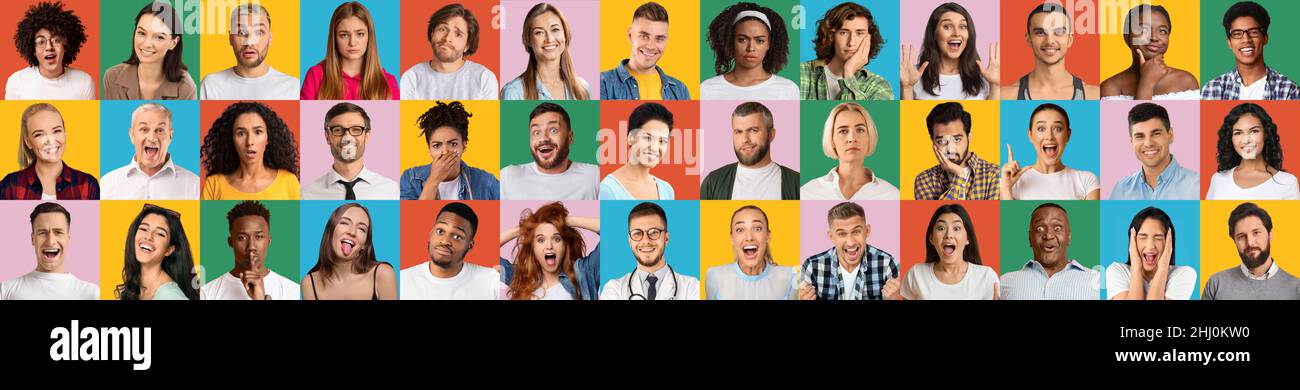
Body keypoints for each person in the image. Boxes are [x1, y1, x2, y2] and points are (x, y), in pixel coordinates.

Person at [200, 102, 301, 200]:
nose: (249, 142)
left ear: (268, 138)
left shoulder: (289, 182)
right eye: (241, 134)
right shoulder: (213, 185)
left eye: (258, 132)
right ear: (231, 139)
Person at [399, 101, 499, 200]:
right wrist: (433, 181)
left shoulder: (486, 181)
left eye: (453, 144)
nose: (445, 151)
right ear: (429, 149)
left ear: (464, 145)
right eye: (437, 145)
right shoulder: (410, 178)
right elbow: (412, 216)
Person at [798, 202, 899, 300]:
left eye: (856, 232)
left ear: (867, 231)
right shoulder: (812, 266)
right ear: (831, 237)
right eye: (842, 234)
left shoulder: (887, 263)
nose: (850, 243)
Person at [499, 202, 600, 300]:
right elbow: (487, 249)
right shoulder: (521, 278)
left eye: (557, 239)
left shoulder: (583, 273)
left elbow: (613, 229)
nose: (549, 246)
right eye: (541, 240)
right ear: (533, 247)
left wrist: (566, 221)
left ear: (565, 244)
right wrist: (525, 227)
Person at [201, 201, 300, 300]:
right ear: (231, 242)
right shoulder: (206, 293)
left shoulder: (293, 291)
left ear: (269, 241)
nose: (251, 246)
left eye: (259, 236)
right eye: (242, 238)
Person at [199, 2, 300, 100]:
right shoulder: (210, 86)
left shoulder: (292, 88)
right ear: (230, 38)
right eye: (241, 32)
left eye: (259, 32)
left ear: (270, 38)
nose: (249, 42)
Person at [999, 103, 1100, 200]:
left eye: (1058, 129)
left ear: (1068, 135)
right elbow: (1010, 218)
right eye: (1041, 129)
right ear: (1030, 135)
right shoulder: (1012, 182)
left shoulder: (1087, 181)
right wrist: (1006, 188)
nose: (1049, 137)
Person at [700, 101, 800, 200]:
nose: (745, 139)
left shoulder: (796, 183)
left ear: (771, 134)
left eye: (753, 130)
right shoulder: (713, 182)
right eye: (738, 132)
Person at [800, 102, 899, 200]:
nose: (852, 138)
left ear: (869, 137)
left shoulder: (891, 195)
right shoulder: (808, 193)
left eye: (860, 130)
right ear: (832, 139)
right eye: (843, 131)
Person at [401, 202, 500, 300]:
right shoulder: (401, 280)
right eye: (440, 231)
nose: (445, 241)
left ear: (470, 245)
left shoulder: (491, 280)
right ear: (431, 233)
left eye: (457, 236)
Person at [900, 2, 1000, 100]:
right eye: (947, 27)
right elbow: (907, 117)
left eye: (962, 27)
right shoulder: (913, 76)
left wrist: (995, 85)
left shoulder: (984, 78)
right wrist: (907, 88)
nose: (956, 33)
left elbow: (991, 116)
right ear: (934, 33)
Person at [1202, 1, 1300, 100]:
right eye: (1237, 34)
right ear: (1229, 42)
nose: (1246, 40)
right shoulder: (1212, 89)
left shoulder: (1289, 90)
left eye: (1253, 32)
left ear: (1265, 38)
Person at [999, 203, 1099, 300]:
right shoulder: (1004, 282)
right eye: (1039, 228)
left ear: (1069, 236)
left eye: (1057, 228)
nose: (1048, 235)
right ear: (1030, 238)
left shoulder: (1098, 281)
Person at [500, 102, 599, 200]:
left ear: (570, 138)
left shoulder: (593, 176)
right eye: (536, 132)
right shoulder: (508, 177)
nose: (543, 138)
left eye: (553, 130)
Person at [101, 103, 200, 200]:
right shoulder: (108, 183)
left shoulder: (194, 184)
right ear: (132, 135)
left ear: (170, 136)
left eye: (160, 130)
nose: (152, 138)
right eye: (144, 129)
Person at [300, 1, 398, 100]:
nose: (352, 43)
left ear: (369, 37)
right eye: (344, 35)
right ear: (334, 38)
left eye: (360, 34)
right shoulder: (315, 76)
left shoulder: (388, 82)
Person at [999, 3, 1098, 100]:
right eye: (1040, 33)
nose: (1050, 41)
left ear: (1070, 39)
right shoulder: (1005, 96)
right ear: (1028, 39)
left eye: (1058, 32)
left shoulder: (1094, 96)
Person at [1100, 4, 1200, 100]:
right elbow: (1136, 118)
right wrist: (1147, 82)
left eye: (1162, 31)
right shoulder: (1111, 87)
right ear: (1127, 38)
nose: (1154, 37)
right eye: (1144, 29)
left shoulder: (1186, 81)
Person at [600, 202, 698, 300]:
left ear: (666, 238)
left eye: (654, 232)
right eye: (637, 233)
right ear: (630, 241)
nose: (646, 241)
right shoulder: (614, 289)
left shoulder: (692, 287)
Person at [0, 103, 98, 200]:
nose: (50, 140)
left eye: (57, 131)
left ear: (65, 133)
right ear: (28, 142)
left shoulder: (88, 184)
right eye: (39, 134)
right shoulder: (9, 185)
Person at [400, 3, 499, 100]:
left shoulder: (484, 78)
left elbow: (487, 117)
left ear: (467, 45)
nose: (447, 38)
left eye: (458, 34)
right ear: (432, 33)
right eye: (442, 29)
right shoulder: (412, 78)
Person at [302, 102, 399, 200]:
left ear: (367, 136)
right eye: (338, 130)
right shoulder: (307, 194)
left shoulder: (390, 190)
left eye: (356, 129)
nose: (347, 138)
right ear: (327, 137)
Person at [900, 204, 999, 300]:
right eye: (941, 228)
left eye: (956, 228)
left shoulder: (986, 277)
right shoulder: (916, 274)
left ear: (967, 238)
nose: (949, 235)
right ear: (931, 238)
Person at [0, 203, 97, 300]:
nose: (50, 241)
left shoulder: (91, 293)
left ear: (68, 238)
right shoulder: (6, 290)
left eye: (58, 232)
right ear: (33, 239)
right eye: (42, 233)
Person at [1203, 202, 1300, 300]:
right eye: (1241, 236)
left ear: (1270, 235)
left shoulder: (1296, 287)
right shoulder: (1216, 283)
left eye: (1256, 233)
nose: (1250, 243)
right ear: (1234, 241)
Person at [702, 2, 797, 100]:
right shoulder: (707, 89)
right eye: (742, 39)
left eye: (760, 41)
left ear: (768, 44)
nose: (751, 48)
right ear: (731, 42)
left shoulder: (787, 89)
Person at [301, 203, 397, 300]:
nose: (352, 232)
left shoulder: (383, 274)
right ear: (330, 231)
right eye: (344, 223)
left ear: (364, 244)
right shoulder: (309, 283)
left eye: (361, 229)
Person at [102, 1, 196, 100]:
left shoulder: (186, 88)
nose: (147, 44)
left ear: (173, 43)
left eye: (159, 37)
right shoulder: (112, 77)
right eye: (142, 33)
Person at [799, 2, 892, 100]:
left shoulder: (879, 86)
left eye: (859, 33)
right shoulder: (801, 73)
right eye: (843, 33)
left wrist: (849, 72)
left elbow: (859, 113)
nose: (851, 42)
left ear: (869, 39)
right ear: (831, 36)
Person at [1206, 103, 1300, 200]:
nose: (1246, 140)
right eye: (1238, 133)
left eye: (1254, 131)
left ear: (1266, 134)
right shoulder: (1218, 179)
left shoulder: (1287, 183)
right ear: (1231, 138)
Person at [599, 2, 690, 100]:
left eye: (659, 38)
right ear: (630, 35)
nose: (650, 46)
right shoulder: (602, 83)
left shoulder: (680, 90)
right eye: (644, 36)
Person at [5, 1, 95, 100]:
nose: (49, 47)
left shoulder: (84, 82)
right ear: (33, 49)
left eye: (56, 40)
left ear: (65, 45)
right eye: (41, 42)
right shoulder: (17, 81)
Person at [1109, 103, 1199, 200]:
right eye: (1140, 136)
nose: (1148, 143)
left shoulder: (1197, 185)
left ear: (1170, 135)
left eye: (1156, 134)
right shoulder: (1120, 190)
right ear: (1132, 142)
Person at [705, 205, 796, 300]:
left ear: (768, 235)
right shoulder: (714, 276)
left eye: (757, 229)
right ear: (732, 238)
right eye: (740, 230)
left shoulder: (790, 276)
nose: (749, 237)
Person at [501, 3, 589, 100]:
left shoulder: (584, 88)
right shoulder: (514, 92)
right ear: (528, 40)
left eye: (555, 29)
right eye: (539, 32)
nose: (550, 39)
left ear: (565, 34)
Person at [913, 102, 999, 200]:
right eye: (941, 141)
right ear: (932, 141)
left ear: (969, 137)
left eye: (956, 139)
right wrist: (959, 176)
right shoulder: (925, 179)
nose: (950, 149)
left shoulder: (993, 174)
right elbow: (940, 214)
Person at [1107, 206, 1196, 300]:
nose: (1150, 246)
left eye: (1158, 238)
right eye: (1143, 237)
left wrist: (1162, 267)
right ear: (1132, 241)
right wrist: (1136, 268)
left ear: (1169, 242)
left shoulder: (1183, 274)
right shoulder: (1117, 271)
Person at [115, 203, 198, 300]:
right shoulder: (132, 287)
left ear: (169, 250)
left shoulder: (171, 296)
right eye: (144, 229)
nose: (148, 236)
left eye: (160, 234)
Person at [600, 102, 675, 200]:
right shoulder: (608, 190)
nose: (654, 147)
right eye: (648, 138)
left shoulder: (667, 190)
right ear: (631, 138)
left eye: (662, 141)